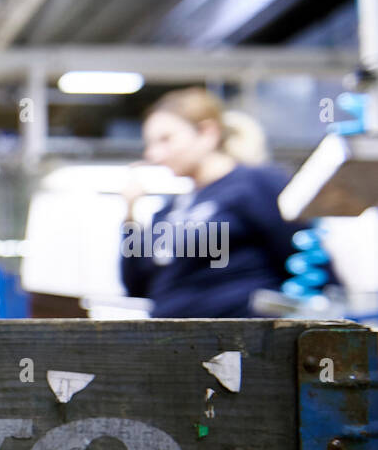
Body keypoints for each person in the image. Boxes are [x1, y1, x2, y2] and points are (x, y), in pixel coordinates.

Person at [119, 87, 333, 317]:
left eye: (166, 139)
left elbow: (306, 258)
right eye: (150, 144)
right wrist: (131, 215)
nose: (153, 154)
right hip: (177, 341)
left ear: (207, 132)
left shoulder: (255, 184)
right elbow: (136, 286)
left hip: (241, 336)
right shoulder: (169, 209)